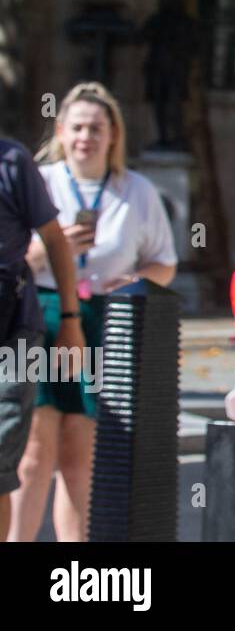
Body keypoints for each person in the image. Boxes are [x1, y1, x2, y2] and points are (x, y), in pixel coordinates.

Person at [9, 82, 177, 542]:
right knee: (34, 448)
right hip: (40, 315)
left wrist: (136, 282)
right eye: (78, 127)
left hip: (105, 319)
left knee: (80, 452)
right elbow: (13, 256)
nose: (86, 137)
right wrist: (48, 252)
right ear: (61, 131)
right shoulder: (41, 181)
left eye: (97, 128)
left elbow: (165, 261)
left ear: (113, 135)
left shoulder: (136, 190)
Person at [0, 139, 81, 542]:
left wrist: (70, 318)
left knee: (2, 459)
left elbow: (55, 240)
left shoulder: (13, 162)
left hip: (18, 335)